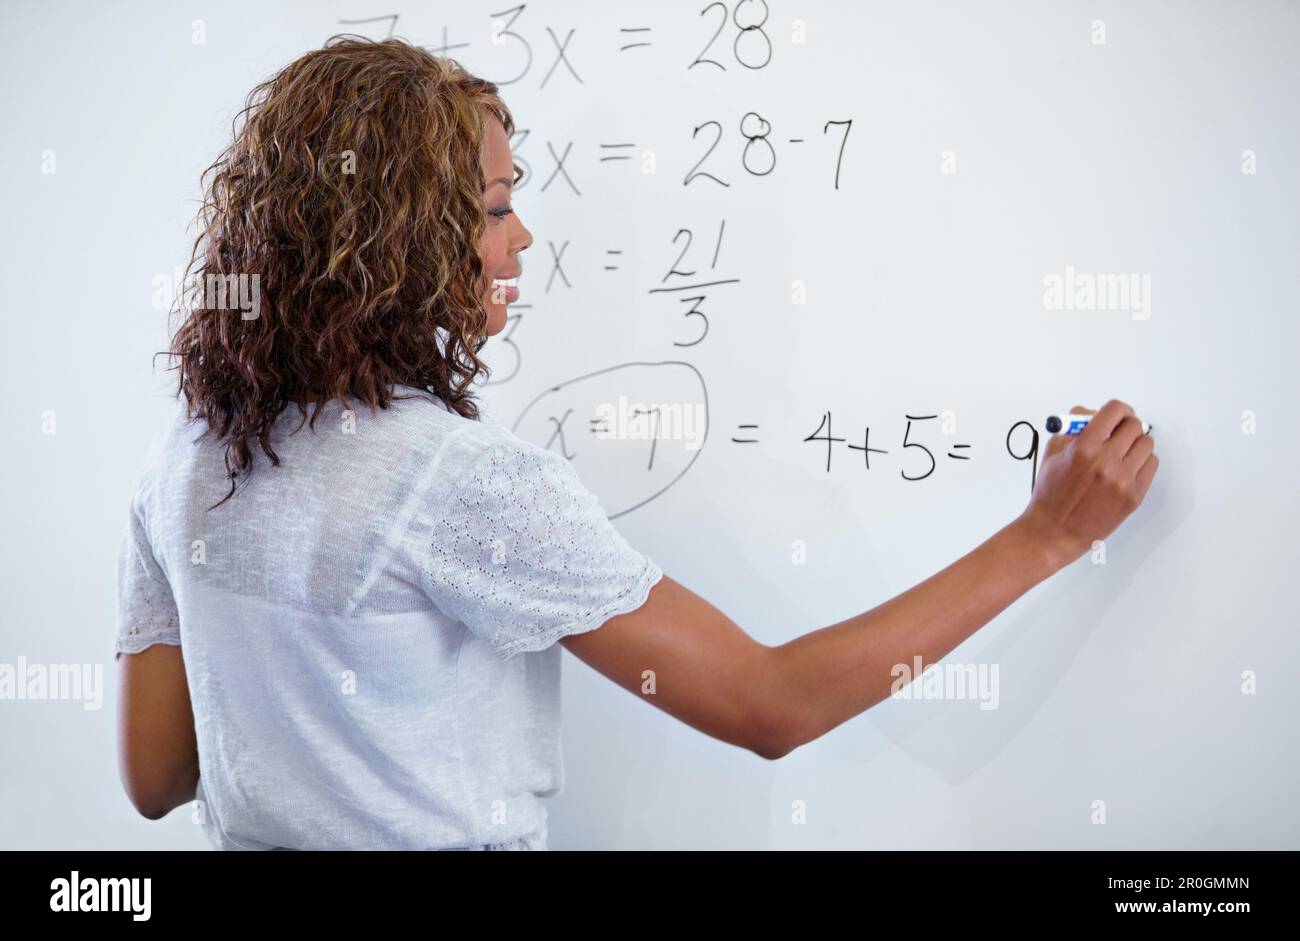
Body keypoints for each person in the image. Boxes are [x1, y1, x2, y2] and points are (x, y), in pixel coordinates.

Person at [115, 37, 1159, 851]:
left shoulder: (189, 457)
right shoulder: (456, 480)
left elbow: (155, 776)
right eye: (494, 205)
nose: (520, 236)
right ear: (398, 236)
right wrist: (1046, 536)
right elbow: (770, 704)